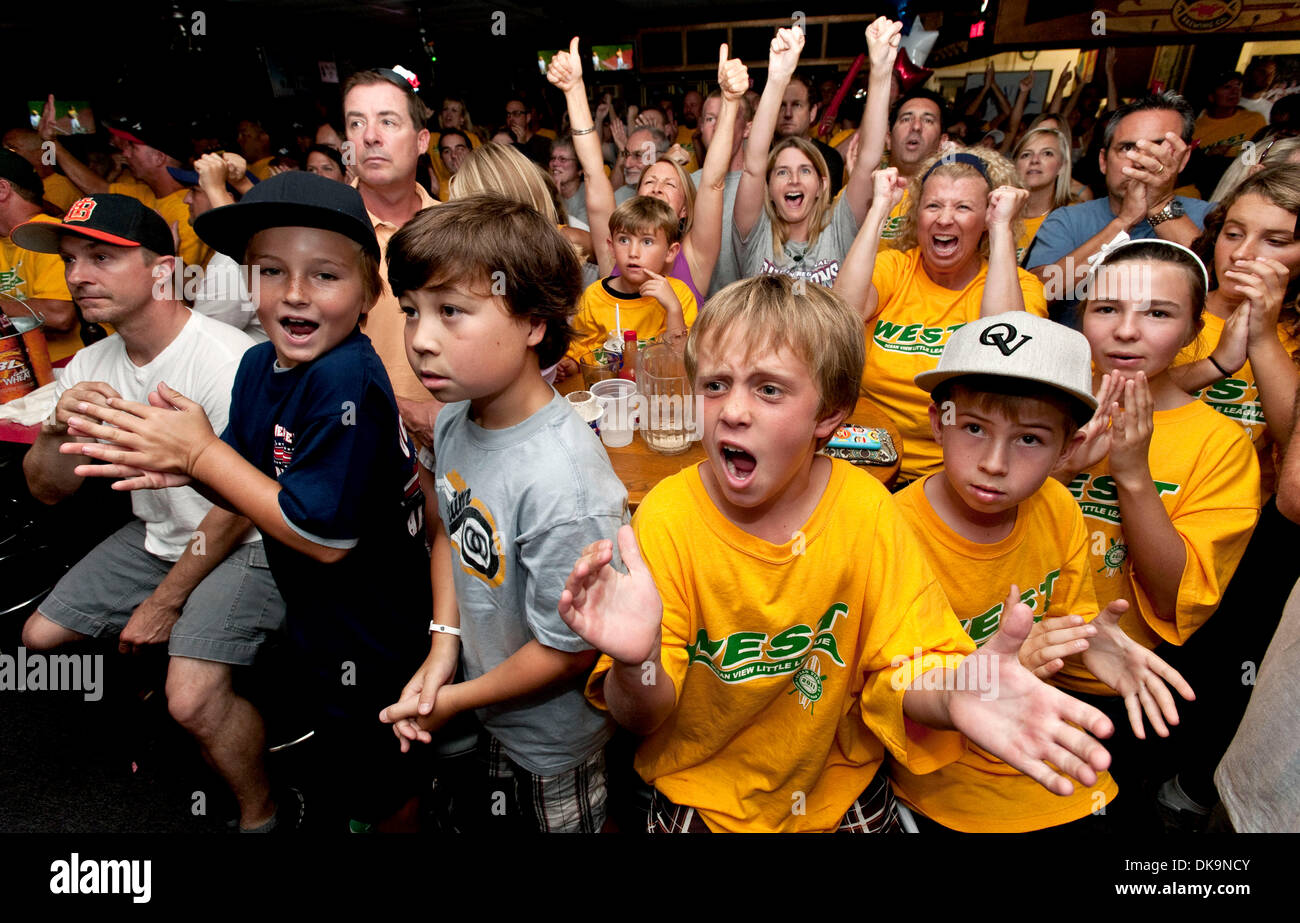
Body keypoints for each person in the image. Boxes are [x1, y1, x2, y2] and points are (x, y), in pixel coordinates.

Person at [557, 274, 1116, 833]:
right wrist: (637, 664)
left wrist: (955, 694)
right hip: (700, 793)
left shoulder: (867, 512)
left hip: (837, 787)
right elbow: (642, 715)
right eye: (715, 385)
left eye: (769, 389)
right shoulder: (666, 520)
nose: (733, 411)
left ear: (829, 414)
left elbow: (906, 666)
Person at [62, 173, 435, 832]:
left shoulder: (346, 376)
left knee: (384, 769)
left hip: (378, 629)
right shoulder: (260, 367)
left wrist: (199, 455)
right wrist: (180, 462)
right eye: (269, 271)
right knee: (343, 753)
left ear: (370, 294)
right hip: (318, 614)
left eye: (324, 275)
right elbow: (241, 473)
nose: (293, 293)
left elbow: (326, 537)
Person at [11, 193, 290, 833]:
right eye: (73, 259)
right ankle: (160, 717)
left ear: (162, 270)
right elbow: (48, 491)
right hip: (158, 534)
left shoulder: (228, 359)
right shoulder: (89, 362)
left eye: (101, 257)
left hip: (242, 542)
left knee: (191, 698)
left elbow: (240, 507)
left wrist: (164, 602)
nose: (78, 275)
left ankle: (263, 814)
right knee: (40, 638)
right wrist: (56, 427)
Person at [892, 312, 1194, 833]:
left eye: (1028, 439)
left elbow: (1065, 615)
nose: (993, 462)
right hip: (949, 788)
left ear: (1068, 449)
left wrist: (1088, 638)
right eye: (973, 428)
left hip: (1052, 760)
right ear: (936, 421)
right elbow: (885, 682)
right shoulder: (888, 531)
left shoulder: (1056, 505)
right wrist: (990, 675)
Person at [379, 195, 625, 832]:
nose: (420, 340)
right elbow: (447, 532)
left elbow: (569, 651)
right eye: (411, 312)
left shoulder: (564, 487)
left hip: (554, 740)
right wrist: (443, 648)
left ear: (534, 324)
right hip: (490, 705)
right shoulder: (458, 416)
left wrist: (453, 699)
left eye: (451, 311)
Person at [1052, 239, 1261, 825]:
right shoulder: (1042, 406)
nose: (1126, 331)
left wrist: (1133, 475)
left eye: (1158, 313)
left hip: (1119, 694)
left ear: (1196, 328)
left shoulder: (1218, 445)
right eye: (1107, 308)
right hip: (1014, 665)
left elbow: (1177, 597)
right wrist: (1059, 468)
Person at [834, 147, 1046, 486]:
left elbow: (1005, 353)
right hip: (864, 461)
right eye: (933, 205)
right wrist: (880, 208)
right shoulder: (896, 267)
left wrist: (1002, 227)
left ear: (985, 219)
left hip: (958, 476)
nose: (944, 219)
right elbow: (842, 312)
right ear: (916, 214)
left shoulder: (1020, 285)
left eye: (963, 207)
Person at [548, 37, 748, 303]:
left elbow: (712, 180)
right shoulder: (615, 253)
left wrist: (731, 101)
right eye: (650, 181)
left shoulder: (693, 256)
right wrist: (573, 90)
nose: (657, 186)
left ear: (685, 210)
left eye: (670, 184)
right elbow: (594, 171)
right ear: (637, 196)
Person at [734, 22, 899, 285]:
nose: (794, 180)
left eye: (805, 170)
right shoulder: (757, 231)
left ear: (823, 184)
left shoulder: (838, 227)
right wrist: (778, 77)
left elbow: (868, 162)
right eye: (782, 172)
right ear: (768, 187)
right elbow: (754, 164)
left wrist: (880, 71)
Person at [1026, 93, 1212, 323]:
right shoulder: (1068, 219)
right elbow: (1037, 293)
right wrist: (1123, 222)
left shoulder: (1209, 217)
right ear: (1103, 161)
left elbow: (1216, 292)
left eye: (1158, 147)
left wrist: (1160, 205)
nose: (1140, 160)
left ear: (1183, 160)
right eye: (1127, 148)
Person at [1171, 164, 1300, 496]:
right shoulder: (1167, 307)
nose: (1242, 254)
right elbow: (1116, 400)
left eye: (1274, 240)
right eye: (1233, 234)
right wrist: (1215, 364)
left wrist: (1264, 336)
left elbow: (1293, 445)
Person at [342, 68, 440, 446]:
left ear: (421, 140)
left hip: (457, 438)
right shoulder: (325, 236)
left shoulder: (454, 230)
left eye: (387, 120)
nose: (369, 136)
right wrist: (407, 412)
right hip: (361, 444)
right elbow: (304, 360)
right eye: (356, 123)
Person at [34, 100, 212, 271]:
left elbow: (180, 282)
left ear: (158, 157)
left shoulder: (186, 210)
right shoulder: (147, 193)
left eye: (133, 147)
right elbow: (97, 188)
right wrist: (52, 142)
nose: (125, 153)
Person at [558, 196, 697, 376]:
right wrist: (571, 364)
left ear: (670, 252)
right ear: (611, 247)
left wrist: (673, 309)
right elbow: (581, 350)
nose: (633, 253)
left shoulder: (679, 295)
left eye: (647, 242)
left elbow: (681, 362)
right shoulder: (594, 296)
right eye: (624, 240)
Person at [0, 149, 80, 359]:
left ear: (2, 189)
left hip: (74, 368)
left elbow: (59, 314)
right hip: (23, 374)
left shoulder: (52, 233)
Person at [879, 88, 952, 241]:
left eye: (928, 120)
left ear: (942, 142)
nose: (916, 127)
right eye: (906, 119)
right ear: (888, 139)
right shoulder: (866, 192)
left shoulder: (953, 199)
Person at [1012, 127, 1073, 265]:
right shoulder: (999, 213)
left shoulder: (1072, 218)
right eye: (1026, 155)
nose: (1034, 160)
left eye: (1047, 153)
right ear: (1015, 166)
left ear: (1062, 166)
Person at [778, 73, 844, 196]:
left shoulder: (828, 159)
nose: (787, 113)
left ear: (812, 112)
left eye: (796, 105)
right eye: (781, 105)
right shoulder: (763, 158)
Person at [2, 127, 81, 213]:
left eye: (12, 149)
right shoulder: (12, 184)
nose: (5, 155)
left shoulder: (63, 189)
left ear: (42, 154)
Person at [548, 134, 586, 225]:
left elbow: (579, 233)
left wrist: (556, 201)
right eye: (553, 158)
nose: (555, 163)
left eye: (563, 159)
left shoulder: (588, 196)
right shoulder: (545, 190)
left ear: (580, 169)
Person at [504, 98, 551, 166]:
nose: (510, 118)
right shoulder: (505, 143)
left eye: (516, 113)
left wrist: (522, 146)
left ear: (528, 117)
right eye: (508, 115)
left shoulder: (544, 144)